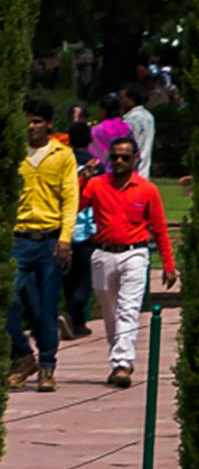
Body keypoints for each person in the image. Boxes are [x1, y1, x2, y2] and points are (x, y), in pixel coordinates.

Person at [82, 129, 174, 390]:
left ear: (136, 159)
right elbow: (76, 206)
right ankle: (118, 358)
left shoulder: (147, 190)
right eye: (116, 158)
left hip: (135, 253)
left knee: (128, 309)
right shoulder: (97, 185)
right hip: (102, 253)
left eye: (125, 157)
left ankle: (122, 363)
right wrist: (82, 180)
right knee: (108, 312)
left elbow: (159, 228)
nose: (119, 162)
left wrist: (168, 264)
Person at [13, 104, 73, 391]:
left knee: (48, 308)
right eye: (28, 122)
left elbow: (70, 198)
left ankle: (47, 366)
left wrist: (65, 238)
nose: (31, 127)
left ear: (49, 125)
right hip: (19, 237)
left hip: (50, 239)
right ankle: (23, 354)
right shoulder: (15, 153)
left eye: (37, 122)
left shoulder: (62, 155)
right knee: (8, 301)